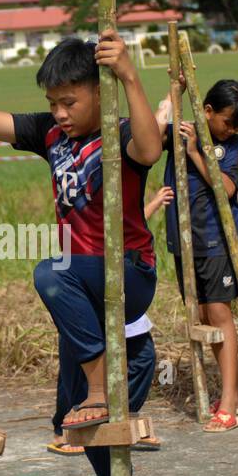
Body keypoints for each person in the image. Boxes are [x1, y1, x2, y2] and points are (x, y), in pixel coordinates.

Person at [0, 2, 162, 476]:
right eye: (53, 104)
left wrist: (131, 76)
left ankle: (99, 385)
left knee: (51, 269)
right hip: (84, 290)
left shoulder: (119, 132)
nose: (60, 113)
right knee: (74, 427)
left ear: (99, 91)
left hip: (129, 275)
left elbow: (151, 149)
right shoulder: (50, 135)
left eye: (70, 101)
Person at [156, 78, 238, 432]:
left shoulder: (234, 147)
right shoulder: (181, 130)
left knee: (218, 311)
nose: (233, 130)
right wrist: (173, 94)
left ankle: (228, 401)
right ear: (207, 111)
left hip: (217, 240)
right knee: (201, 315)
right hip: (183, 240)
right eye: (228, 122)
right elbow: (149, 138)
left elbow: (226, 188)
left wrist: (197, 152)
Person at [48, 188, 171, 456]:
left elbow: (132, 221)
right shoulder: (79, 205)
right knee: (76, 362)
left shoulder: (116, 187)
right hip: (87, 286)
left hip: (121, 286)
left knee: (144, 357)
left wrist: (154, 203)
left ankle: (121, 416)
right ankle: (64, 429)